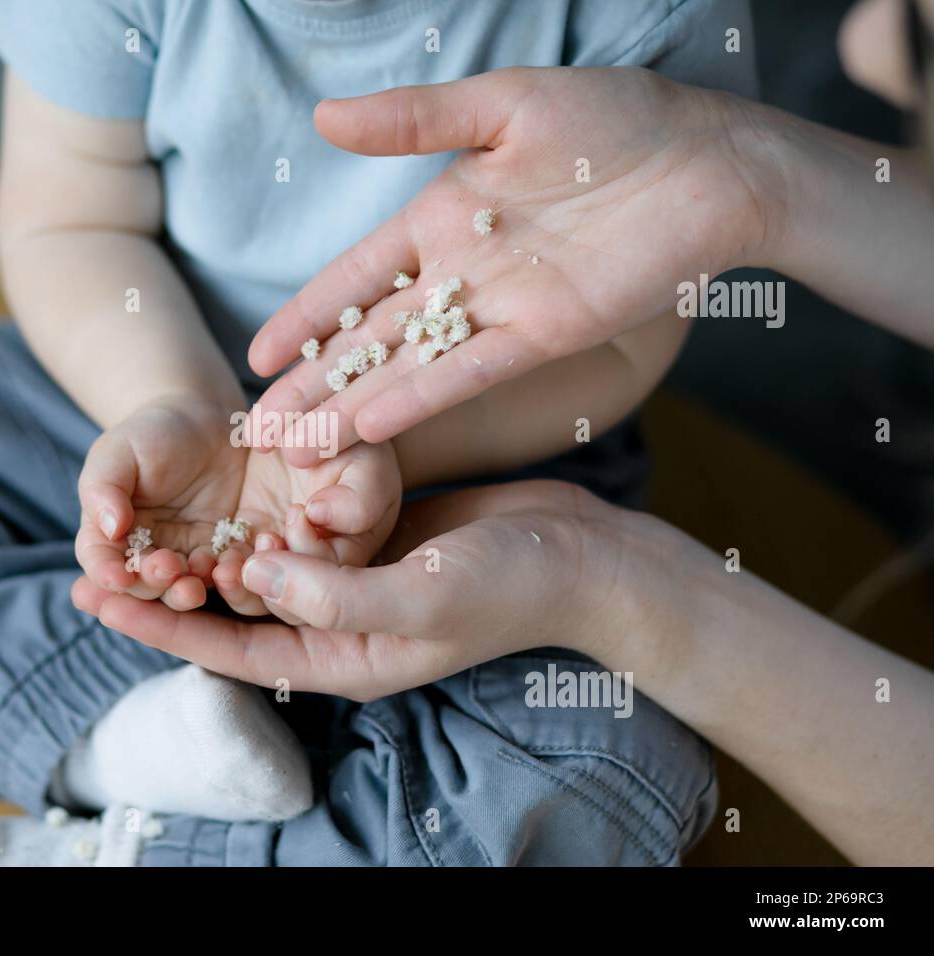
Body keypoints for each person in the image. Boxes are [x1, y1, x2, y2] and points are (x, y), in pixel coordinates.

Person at [77, 0, 934, 865]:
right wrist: (749, 168)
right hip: (165, 433)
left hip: (507, 465)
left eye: (922, 38)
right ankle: (125, 739)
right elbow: (72, 219)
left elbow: (616, 352)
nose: (857, 49)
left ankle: (151, 821)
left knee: (597, 763)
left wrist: (582, 570)